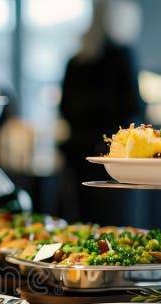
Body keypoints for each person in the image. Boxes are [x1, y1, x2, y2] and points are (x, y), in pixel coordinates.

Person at [58, 0, 144, 224]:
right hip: (115, 158)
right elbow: (134, 107)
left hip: (79, 157)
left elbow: (65, 110)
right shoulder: (122, 56)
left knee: (84, 223)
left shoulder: (75, 62)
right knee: (118, 226)